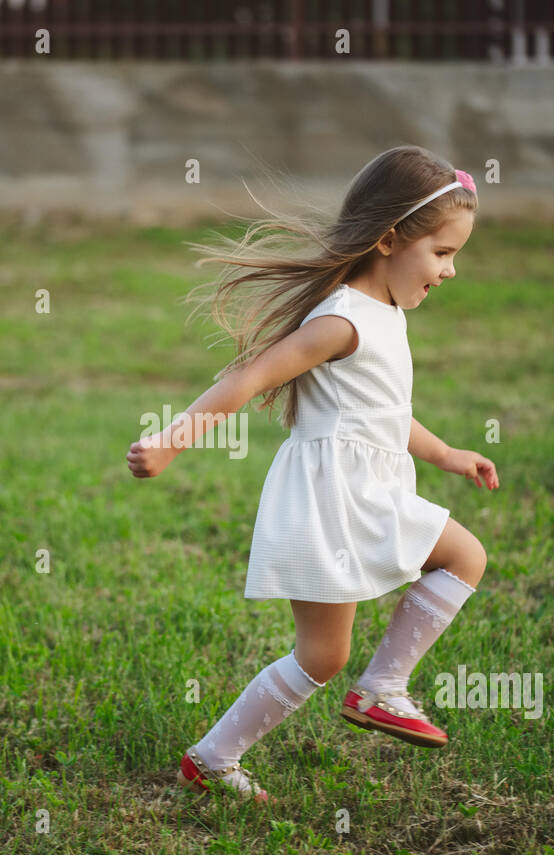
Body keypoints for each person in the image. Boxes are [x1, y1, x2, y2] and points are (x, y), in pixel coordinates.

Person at [127, 145, 500, 804]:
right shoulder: (342, 319)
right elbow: (248, 378)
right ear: (389, 239)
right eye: (442, 253)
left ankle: (245, 745)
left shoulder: (384, 314)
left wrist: (447, 455)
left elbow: (384, 413)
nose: (450, 271)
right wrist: (169, 442)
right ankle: (358, 697)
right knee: (422, 585)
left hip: (365, 490)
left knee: (355, 633)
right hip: (333, 501)